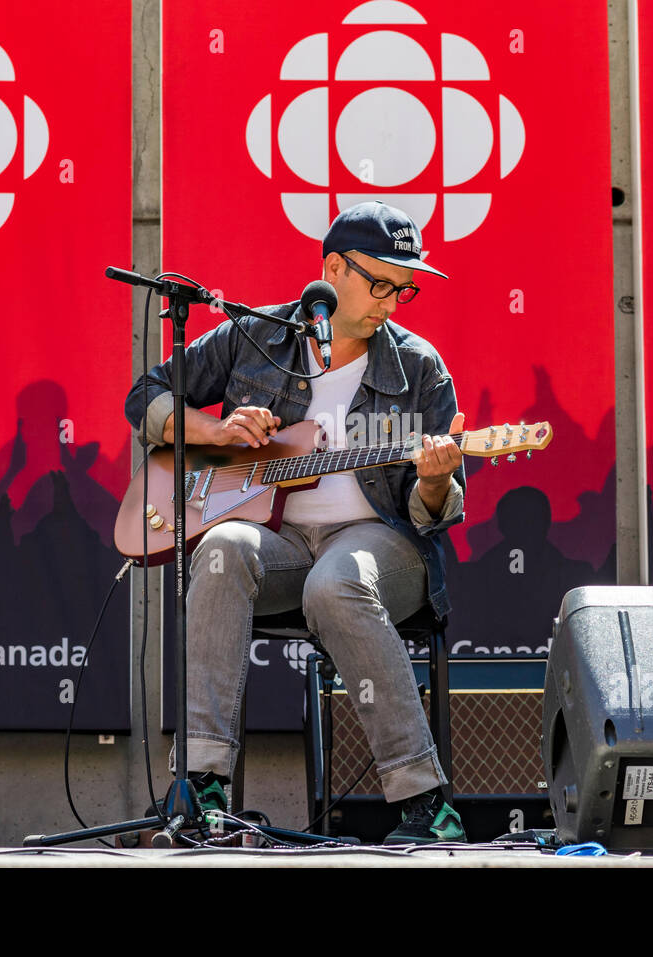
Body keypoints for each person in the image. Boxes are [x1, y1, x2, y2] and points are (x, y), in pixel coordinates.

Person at [123, 202, 467, 844]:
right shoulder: (253, 337)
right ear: (333, 268)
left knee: (335, 583)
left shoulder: (420, 367)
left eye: (405, 286)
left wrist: (436, 474)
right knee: (222, 546)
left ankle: (425, 801)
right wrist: (213, 429)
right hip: (279, 541)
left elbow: (436, 514)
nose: (394, 300)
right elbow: (145, 396)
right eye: (381, 282)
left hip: (381, 542)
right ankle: (203, 787)